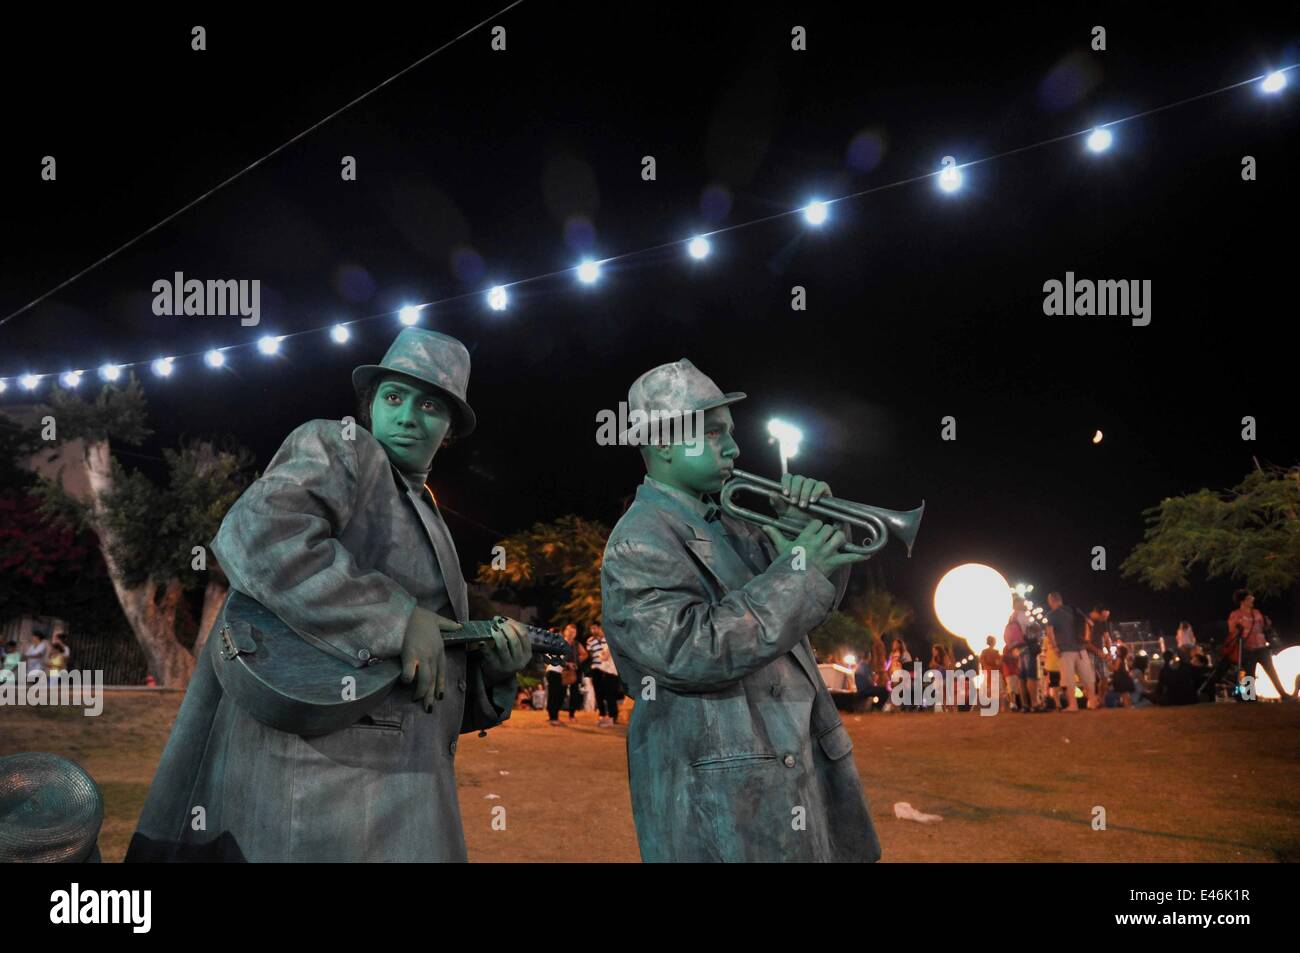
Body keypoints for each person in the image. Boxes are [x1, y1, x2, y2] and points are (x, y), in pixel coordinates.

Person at [127, 328, 534, 862]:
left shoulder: (427, 511)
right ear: (369, 406)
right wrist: (393, 618)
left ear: (451, 428)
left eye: (431, 406)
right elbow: (261, 534)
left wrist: (495, 674)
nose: (408, 417)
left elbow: (423, 679)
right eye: (393, 397)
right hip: (321, 786)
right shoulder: (342, 444)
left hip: (403, 781)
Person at [600, 358, 881, 862]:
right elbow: (689, 652)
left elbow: (806, 610)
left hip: (787, 771)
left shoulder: (735, 521)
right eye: (712, 433)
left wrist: (801, 534)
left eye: (729, 432)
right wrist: (798, 574)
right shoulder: (638, 540)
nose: (732, 447)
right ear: (663, 442)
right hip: (722, 801)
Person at [1045, 592, 1096, 712]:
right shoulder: (1073, 610)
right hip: (1081, 649)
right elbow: (1090, 623)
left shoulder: (1052, 615)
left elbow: (1050, 632)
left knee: (1068, 679)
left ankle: (1073, 705)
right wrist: (1085, 640)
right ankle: (1093, 702)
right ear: (1061, 600)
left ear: (1051, 601)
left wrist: (1055, 647)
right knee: (1087, 677)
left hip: (1065, 651)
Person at [587, 623, 621, 726]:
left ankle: (611, 718)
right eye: (591, 628)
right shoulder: (591, 641)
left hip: (609, 671)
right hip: (602, 670)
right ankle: (606, 716)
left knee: (609, 694)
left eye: (595, 628)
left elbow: (604, 657)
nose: (593, 630)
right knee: (602, 693)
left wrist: (602, 655)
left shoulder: (610, 641)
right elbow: (592, 656)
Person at [979, 636, 1002, 705]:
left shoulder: (995, 652)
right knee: (990, 687)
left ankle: (992, 703)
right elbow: (982, 660)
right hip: (990, 671)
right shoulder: (987, 651)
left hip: (992, 671)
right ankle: (991, 703)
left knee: (992, 687)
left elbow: (999, 662)